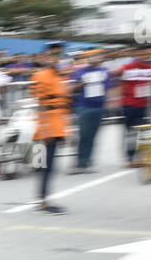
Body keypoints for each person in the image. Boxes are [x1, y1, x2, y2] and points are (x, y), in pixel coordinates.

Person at [30, 44, 70, 214]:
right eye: (52, 55)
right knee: (44, 166)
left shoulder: (60, 77)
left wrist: (67, 131)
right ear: (46, 57)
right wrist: (45, 129)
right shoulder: (40, 76)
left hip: (57, 127)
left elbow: (64, 105)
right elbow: (40, 105)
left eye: (58, 55)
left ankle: (43, 199)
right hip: (45, 128)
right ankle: (43, 201)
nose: (56, 58)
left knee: (48, 166)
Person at [70, 51, 112, 173]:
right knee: (84, 135)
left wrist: (109, 102)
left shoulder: (104, 71)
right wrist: (82, 83)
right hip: (85, 106)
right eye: (91, 57)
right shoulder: (80, 72)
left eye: (96, 56)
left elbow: (108, 87)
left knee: (93, 136)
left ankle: (89, 161)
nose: (94, 59)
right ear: (87, 59)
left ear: (101, 58)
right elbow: (72, 88)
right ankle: (80, 163)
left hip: (99, 107)